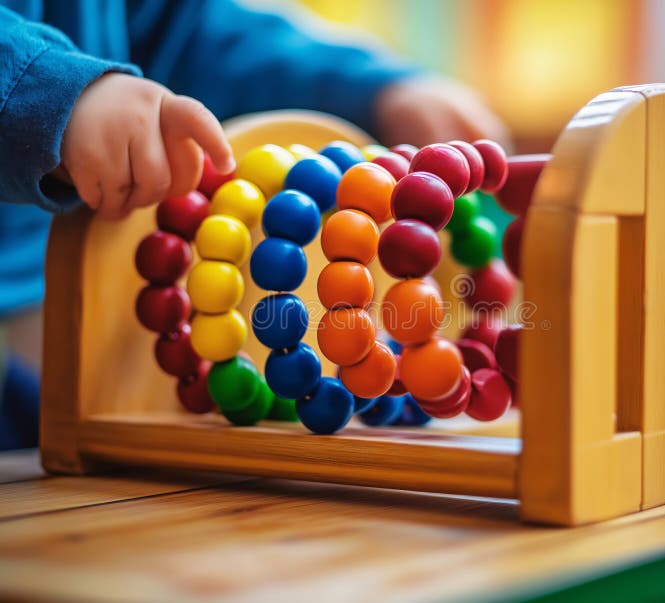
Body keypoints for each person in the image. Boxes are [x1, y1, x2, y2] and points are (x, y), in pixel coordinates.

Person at [0, 0, 509, 449]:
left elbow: (189, 27)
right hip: (45, 287)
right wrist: (43, 87)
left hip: (38, 334)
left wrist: (374, 87)